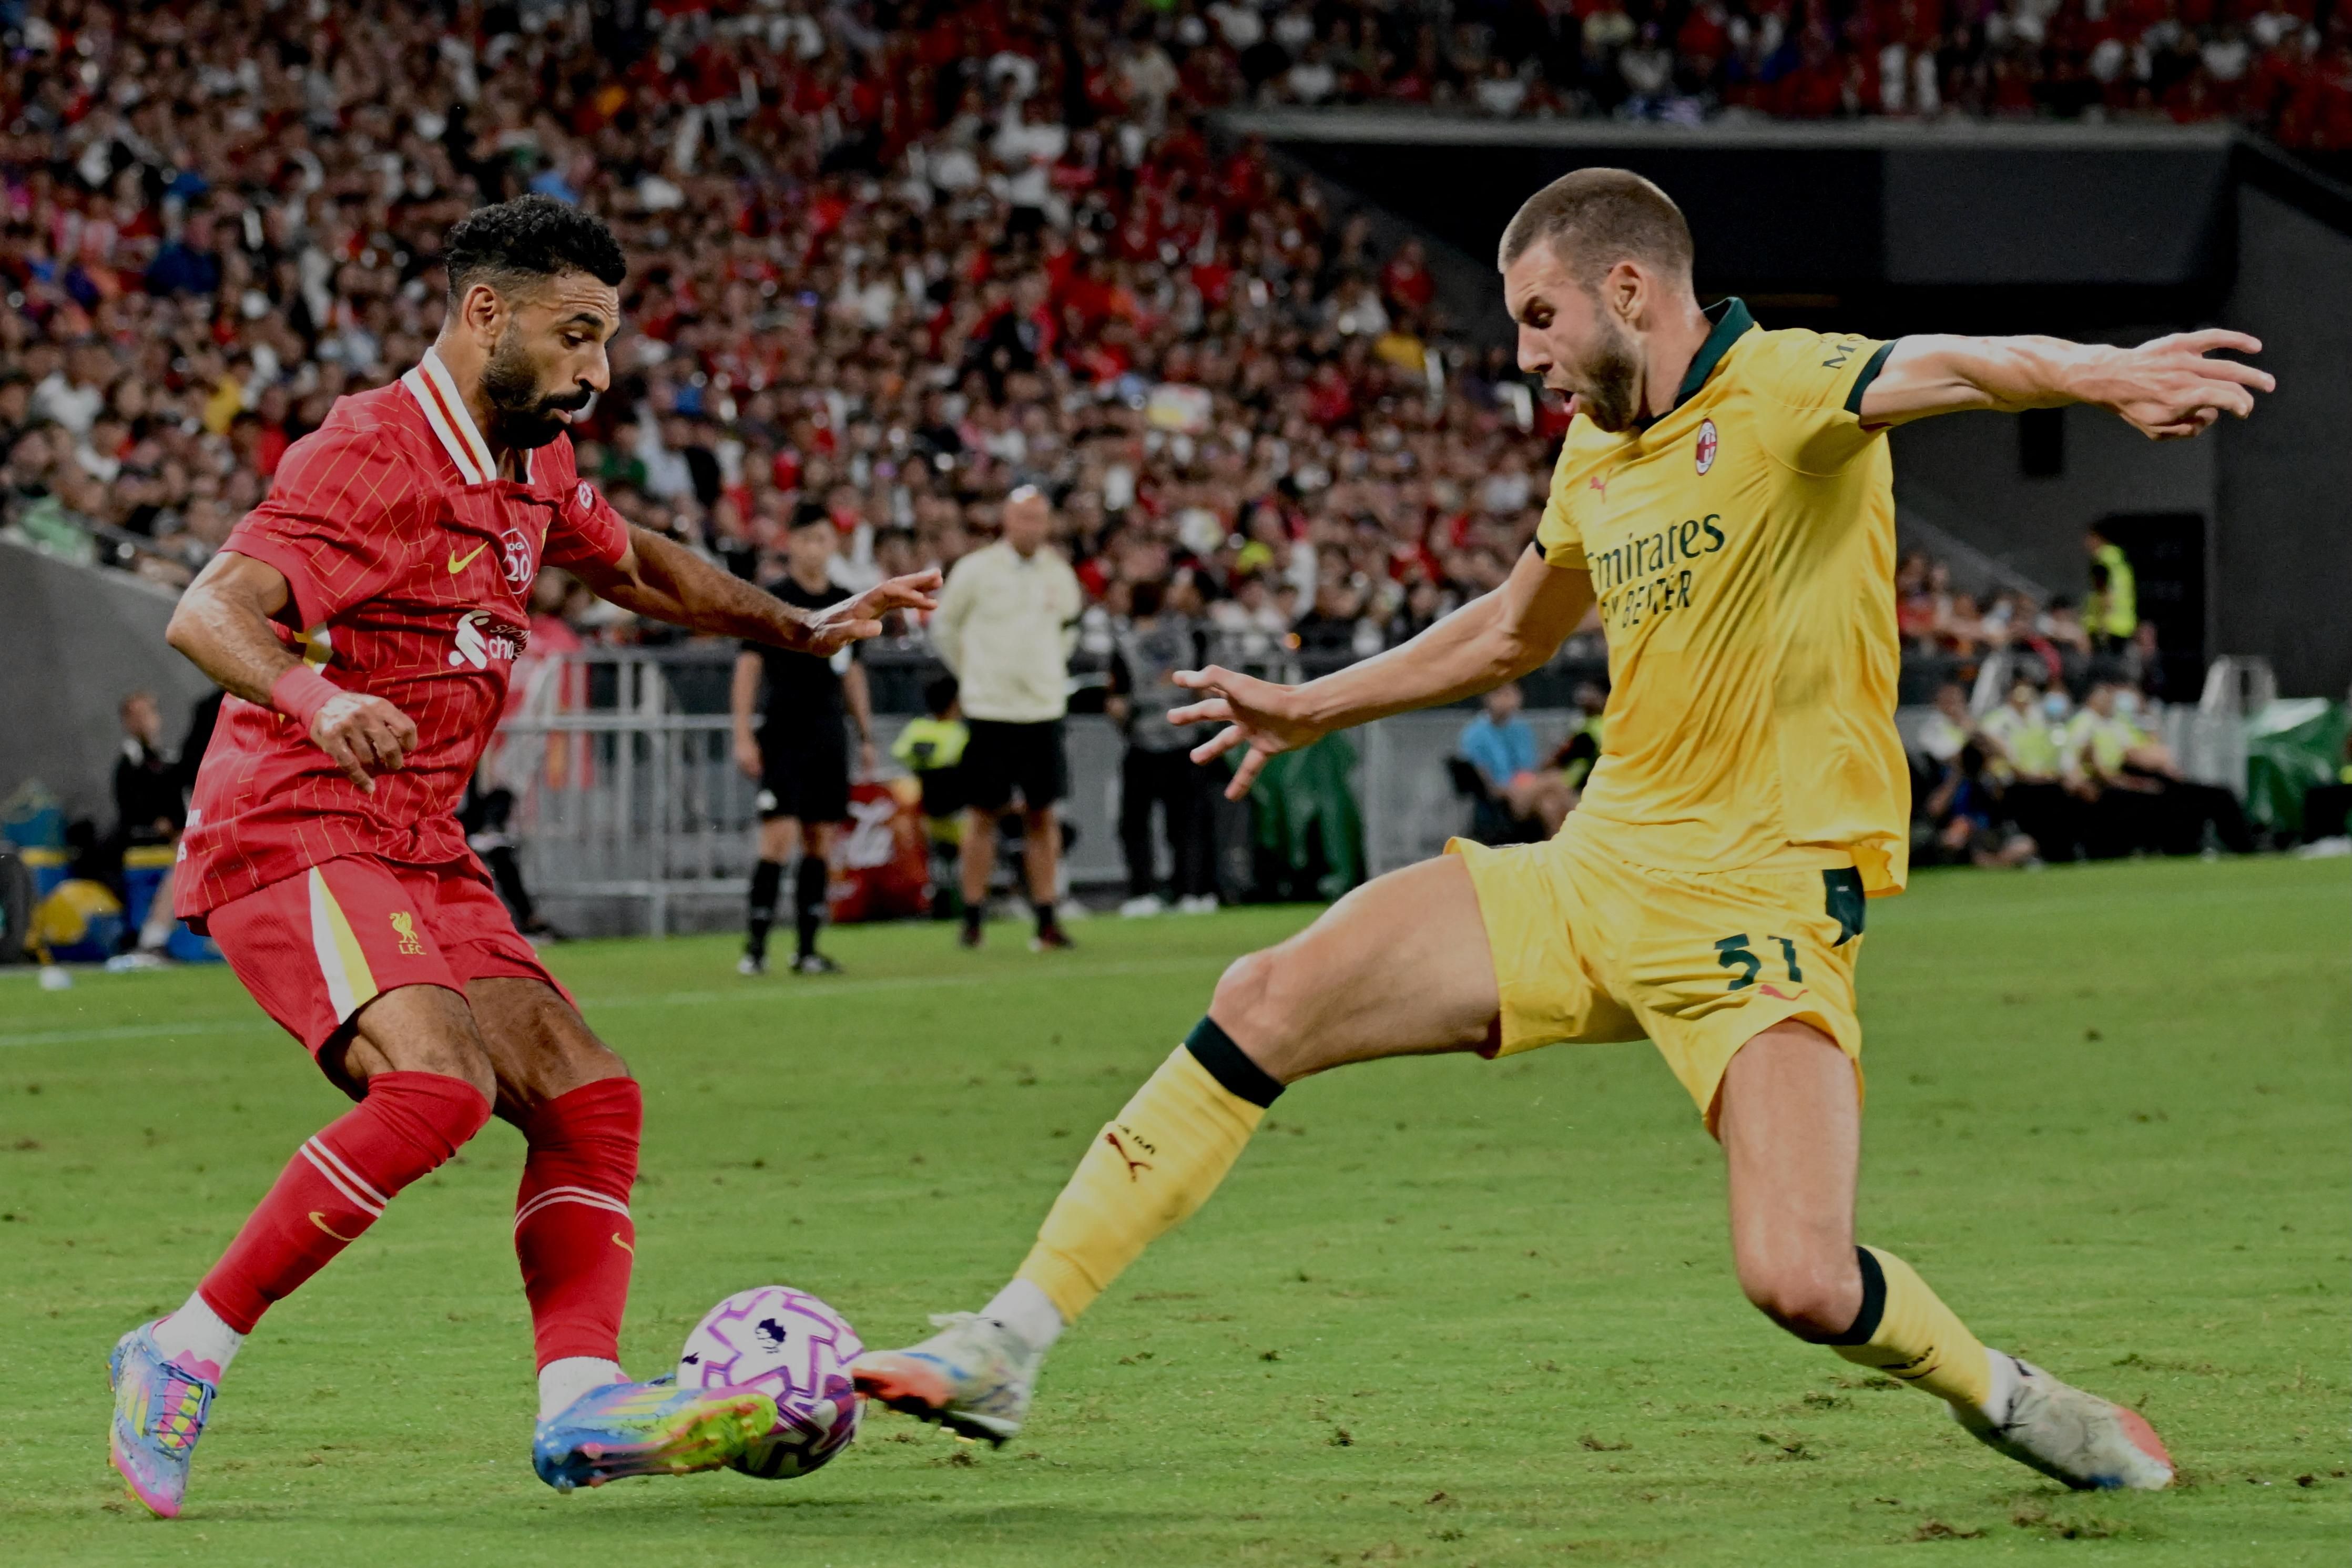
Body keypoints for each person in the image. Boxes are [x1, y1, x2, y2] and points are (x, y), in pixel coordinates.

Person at [851, 168, 2269, 1493]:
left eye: (1541, 314)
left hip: (1759, 903)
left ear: (1634, 289)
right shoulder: (1597, 451)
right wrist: (1310, 705)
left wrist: (2102, 374)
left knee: (1800, 1278)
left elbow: (1950, 364)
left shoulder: (1786, 389)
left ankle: (2013, 1397)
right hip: (1593, 872)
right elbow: (1509, 631)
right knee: (1263, 994)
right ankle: (1005, 1342)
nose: (1525, 350)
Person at [114, 196, 939, 1520]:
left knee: (589, 1102)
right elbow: (207, 611)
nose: (598, 370)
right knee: (435, 1094)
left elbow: (639, 568)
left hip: (419, 843)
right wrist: (323, 703)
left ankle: (580, 1405)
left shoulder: (529, 460)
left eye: (605, 340)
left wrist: (802, 627)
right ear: (486, 313)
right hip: (294, 816)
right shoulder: (371, 452)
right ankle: (182, 1347)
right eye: (577, 334)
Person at [931, 485, 1083, 952]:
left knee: (1042, 814)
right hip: (991, 708)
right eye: (1023, 519)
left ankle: (1046, 915)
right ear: (1006, 521)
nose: (1031, 528)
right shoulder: (976, 571)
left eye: (1038, 519)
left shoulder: (1058, 574)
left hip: (1040, 708)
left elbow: (1068, 629)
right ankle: (973, 916)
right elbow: (944, 626)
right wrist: (973, 675)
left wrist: (1048, 672)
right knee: (982, 814)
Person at [731, 505, 879, 976]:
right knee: (778, 837)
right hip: (783, 731)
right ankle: (755, 949)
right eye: (807, 539)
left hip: (827, 733)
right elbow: (748, 667)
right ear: (790, 543)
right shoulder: (774, 599)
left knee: (819, 839)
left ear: (833, 545)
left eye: (823, 539)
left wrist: (866, 734)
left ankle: (807, 949)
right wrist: (742, 734)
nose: (815, 548)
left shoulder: (844, 602)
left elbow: (852, 672)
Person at [1109, 576, 1217, 917]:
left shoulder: (1125, 644)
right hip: (1184, 736)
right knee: (1186, 821)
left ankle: (1143, 892)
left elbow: (1116, 703)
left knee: (1136, 823)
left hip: (1143, 740)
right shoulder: (1186, 639)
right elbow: (1203, 689)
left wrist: (1128, 725)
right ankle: (1191, 892)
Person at [112, 690, 187, 963]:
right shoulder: (128, 764)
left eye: (150, 713)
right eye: (139, 715)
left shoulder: (169, 759)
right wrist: (167, 830)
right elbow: (132, 810)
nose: (147, 721)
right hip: (143, 841)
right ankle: (153, 938)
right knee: (184, 863)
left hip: (177, 838)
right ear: (128, 722)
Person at [891, 675, 971, 919]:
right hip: (958, 815)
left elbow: (901, 754)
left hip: (923, 816)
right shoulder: (959, 734)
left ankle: (941, 899)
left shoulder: (917, 730)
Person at [1458, 680, 1574, 837]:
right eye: (1499, 694)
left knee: (1550, 806)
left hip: (1527, 786)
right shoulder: (1475, 733)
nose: (1506, 700)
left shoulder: (1521, 729)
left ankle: (1560, 853)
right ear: (1487, 697)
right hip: (1502, 794)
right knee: (1556, 780)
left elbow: (1529, 767)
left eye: (1510, 694)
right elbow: (1483, 778)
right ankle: (1585, 841)